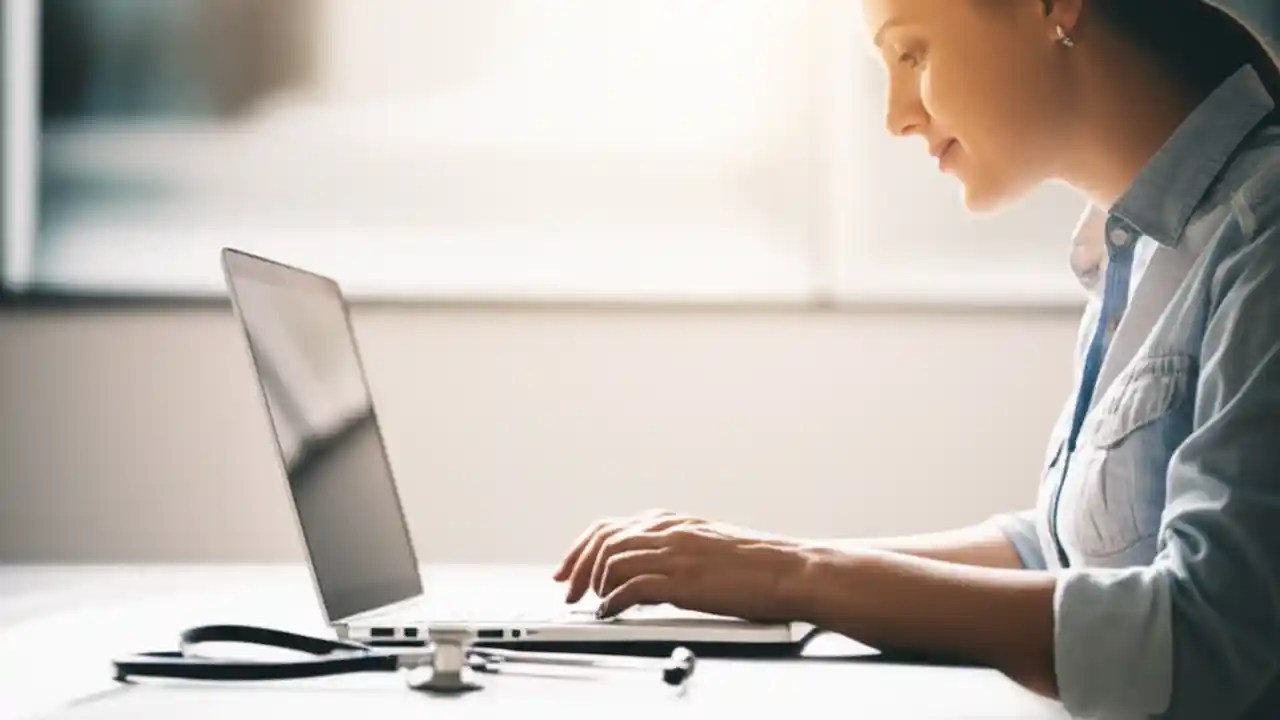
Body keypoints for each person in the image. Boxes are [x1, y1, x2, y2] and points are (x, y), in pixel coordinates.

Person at [551, 1, 1280, 717]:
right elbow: (1067, 554)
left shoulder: (1263, 236)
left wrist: (798, 578)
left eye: (912, 53)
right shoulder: (1145, 243)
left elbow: (1201, 636)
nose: (896, 115)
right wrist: (764, 562)